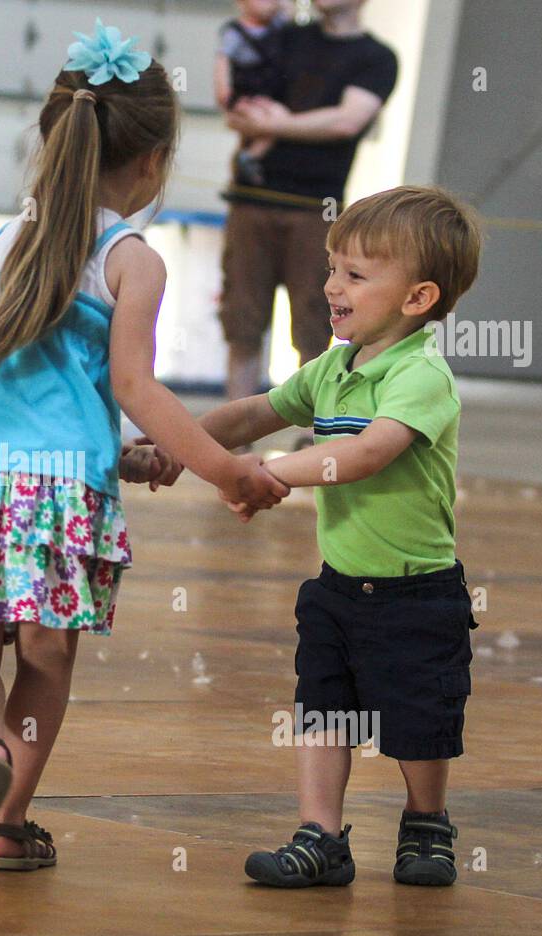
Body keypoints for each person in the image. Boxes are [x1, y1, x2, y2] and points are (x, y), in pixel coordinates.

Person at [0, 20, 289, 874]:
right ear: (152, 163)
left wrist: (123, 450)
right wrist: (226, 470)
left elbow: (29, 387)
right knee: (47, 658)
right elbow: (134, 387)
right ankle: (6, 817)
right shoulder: (129, 257)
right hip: (56, 496)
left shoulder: (4, 243)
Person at [199, 185, 483, 887]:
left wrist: (272, 475)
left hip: (416, 592)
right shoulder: (332, 367)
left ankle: (426, 821)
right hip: (337, 588)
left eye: (355, 275)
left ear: (417, 298)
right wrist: (171, 444)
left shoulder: (420, 375)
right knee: (323, 709)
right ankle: (321, 834)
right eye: (332, 268)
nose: (332, 286)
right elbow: (254, 413)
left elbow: (366, 454)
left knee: (418, 721)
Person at [220, 0, 398, 403]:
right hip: (252, 198)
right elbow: (238, 104)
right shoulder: (283, 37)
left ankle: (315, 431)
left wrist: (277, 124)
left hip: (316, 210)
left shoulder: (375, 58)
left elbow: (347, 121)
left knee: (316, 322)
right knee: (241, 321)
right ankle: (235, 436)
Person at [213, 0, 287, 188]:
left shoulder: (278, 25)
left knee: (277, 123)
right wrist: (223, 91)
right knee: (259, 127)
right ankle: (246, 159)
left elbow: (290, 13)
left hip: (266, 95)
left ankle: (247, 158)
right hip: (244, 95)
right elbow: (222, 62)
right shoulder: (234, 32)